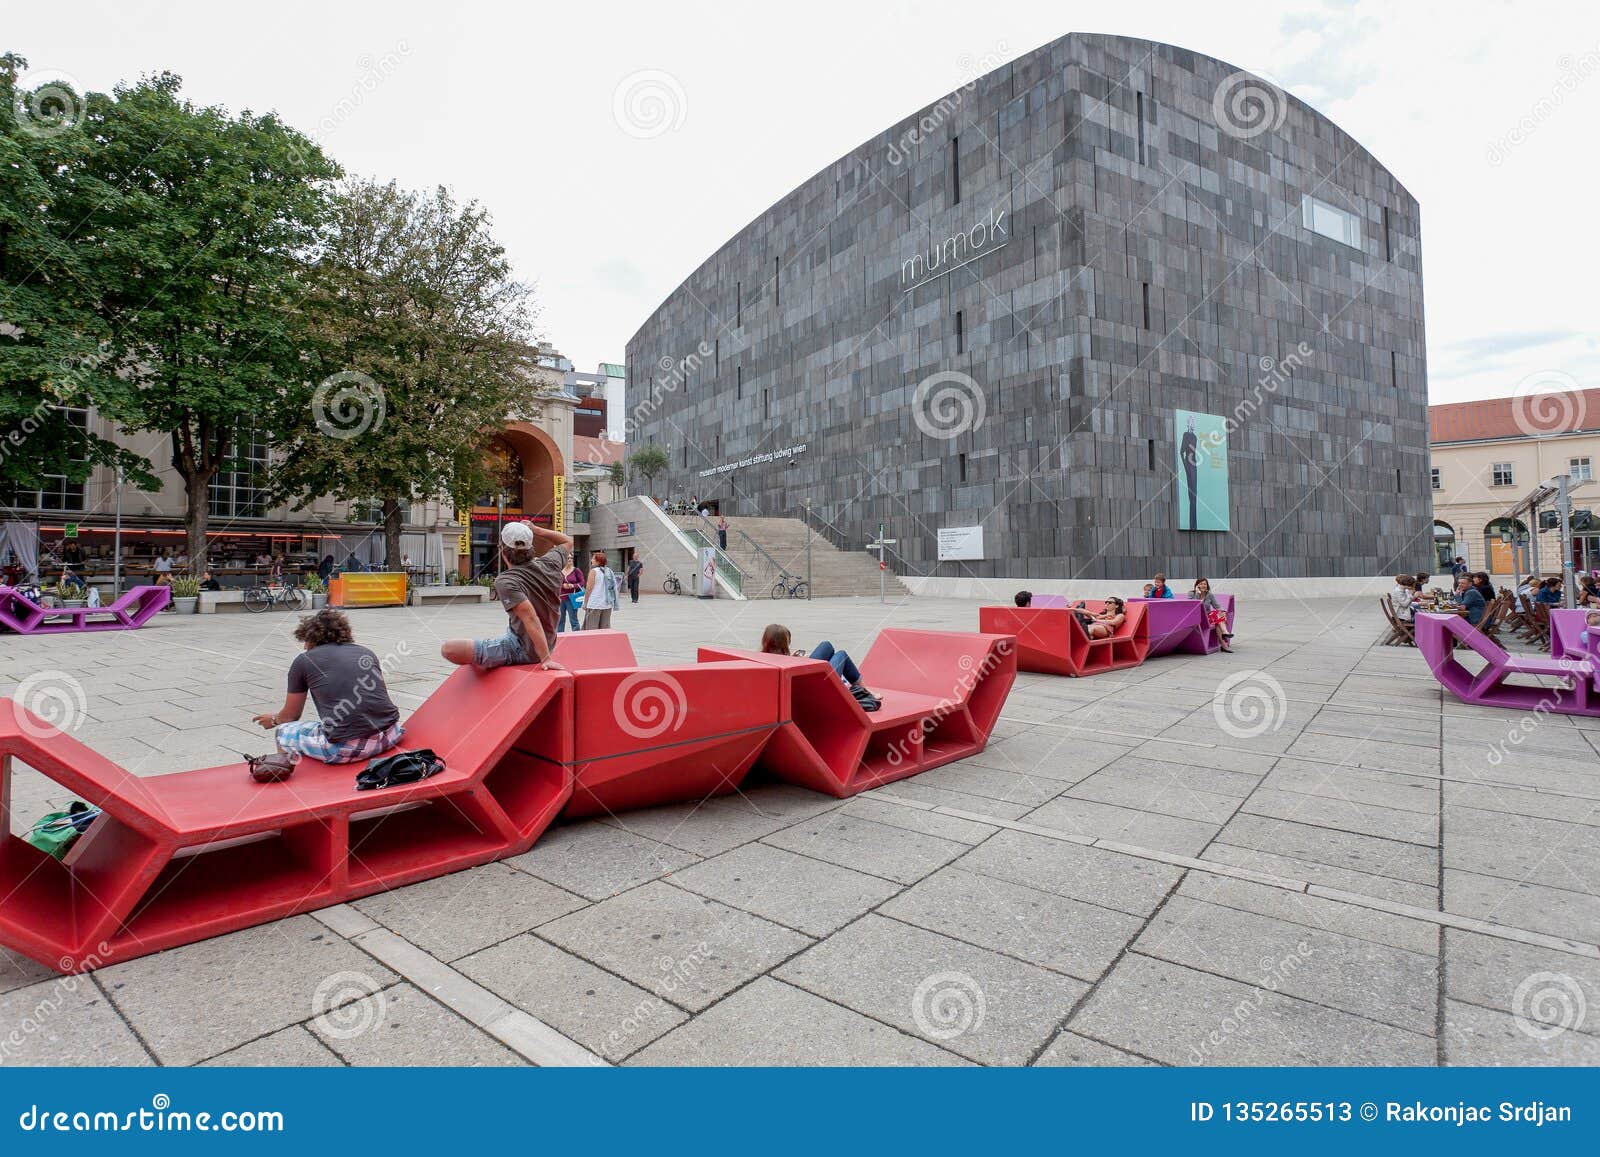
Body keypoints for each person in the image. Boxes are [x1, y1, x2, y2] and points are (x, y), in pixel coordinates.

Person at [252, 608, 403, 764]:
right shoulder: (366, 652)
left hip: (349, 748)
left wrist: (275, 720)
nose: (304, 647)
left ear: (312, 638)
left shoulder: (303, 661)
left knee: (284, 732)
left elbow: (291, 716)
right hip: (391, 735)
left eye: (305, 640)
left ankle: (285, 773)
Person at [441, 521, 572, 670]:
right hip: (547, 643)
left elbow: (530, 618)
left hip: (521, 648)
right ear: (531, 548)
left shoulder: (506, 581)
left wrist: (546, 659)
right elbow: (567, 540)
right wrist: (536, 529)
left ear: (502, 550)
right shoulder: (550, 564)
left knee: (449, 648)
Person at [761, 624, 863, 689]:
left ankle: (862, 687)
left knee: (826, 645)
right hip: (818, 688)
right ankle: (865, 690)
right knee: (841, 654)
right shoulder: (784, 662)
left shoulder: (762, 658)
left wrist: (795, 660)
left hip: (808, 682)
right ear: (785, 643)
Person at [1192, 577, 1233, 652]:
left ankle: (1224, 632)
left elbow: (1217, 606)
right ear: (1197, 585)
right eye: (1201, 584)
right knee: (1217, 619)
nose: (1203, 586)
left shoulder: (1209, 594)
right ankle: (1223, 641)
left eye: (1205, 584)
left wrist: (1223, 611)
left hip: (1207, 617)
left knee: (1218, 614)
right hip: (1197, 618)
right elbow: (1194, 606)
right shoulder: (1191, 593)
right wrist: (1198, 594)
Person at [583, 550, 620, 629]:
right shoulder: (609, 571)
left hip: (594, 604)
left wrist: (585, 603)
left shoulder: (593, 572)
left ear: (598, 562)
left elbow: (588, 589)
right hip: (607, 604)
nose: (591, 560)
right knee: (604, 629)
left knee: (591, 629)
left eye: (593, 559)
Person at [558, 558, 584, 633]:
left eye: (571, 558)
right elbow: (555, 582)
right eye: (567, 558)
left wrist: (573, 585)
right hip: (560, 598)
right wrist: (562, 585)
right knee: (560, 620)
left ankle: (576, 638)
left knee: (573, 620)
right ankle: (560, 636)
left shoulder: (576, 570)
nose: (569, 559)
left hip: (572, 598)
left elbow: (582, 582)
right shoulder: (559, 571)